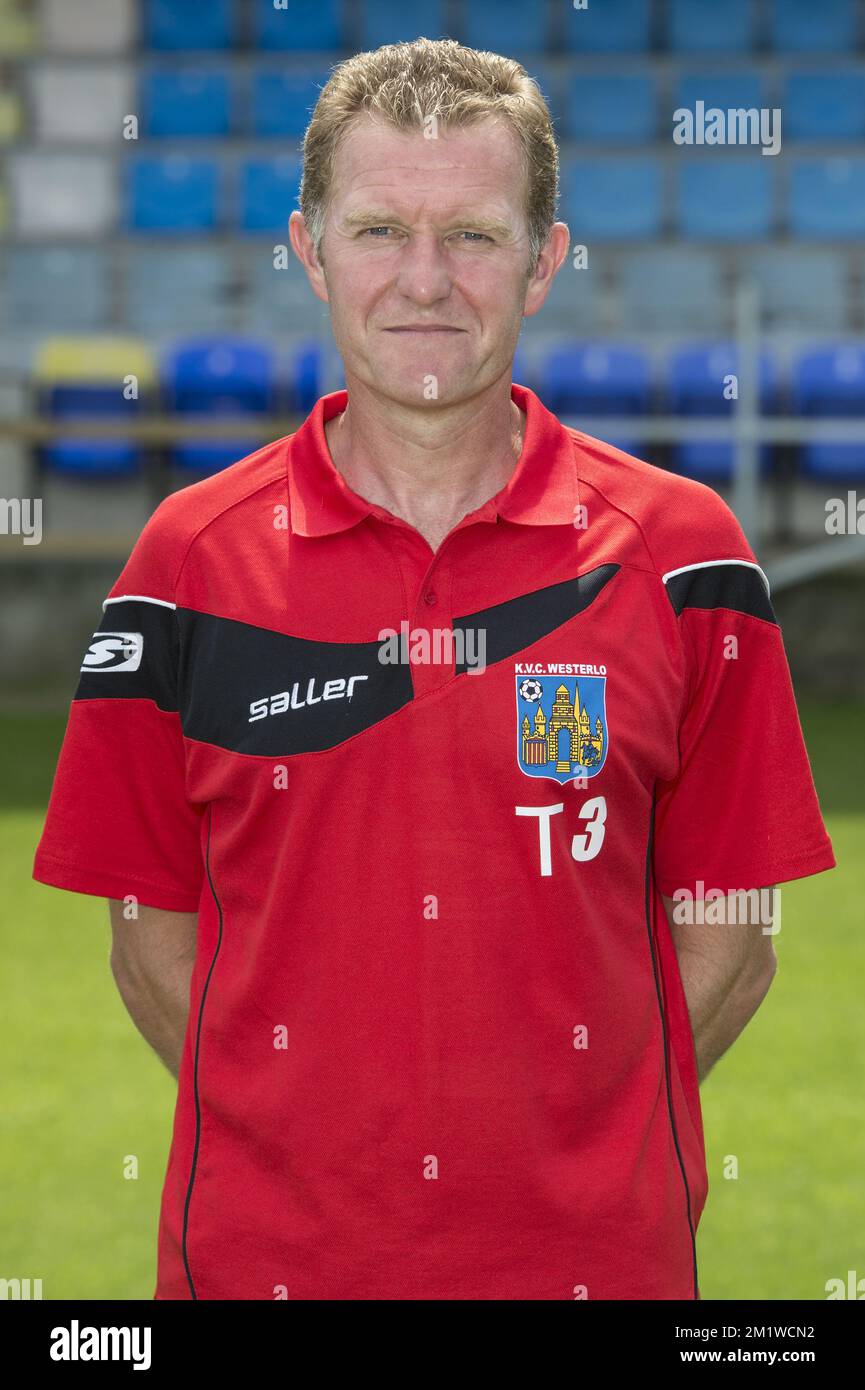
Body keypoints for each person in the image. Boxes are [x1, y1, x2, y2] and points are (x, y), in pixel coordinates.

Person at [33, 38, 835, 1301]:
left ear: (544, 258)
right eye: (377, 230)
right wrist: (305, 1135)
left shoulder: (687, 558)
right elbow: (147, 937)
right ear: (307, 250)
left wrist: (567, 1139)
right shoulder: (182, 559)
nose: (424, 281)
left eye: (469, 234)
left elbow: (731, 937)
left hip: (594, 1273)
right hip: (263, 1272)